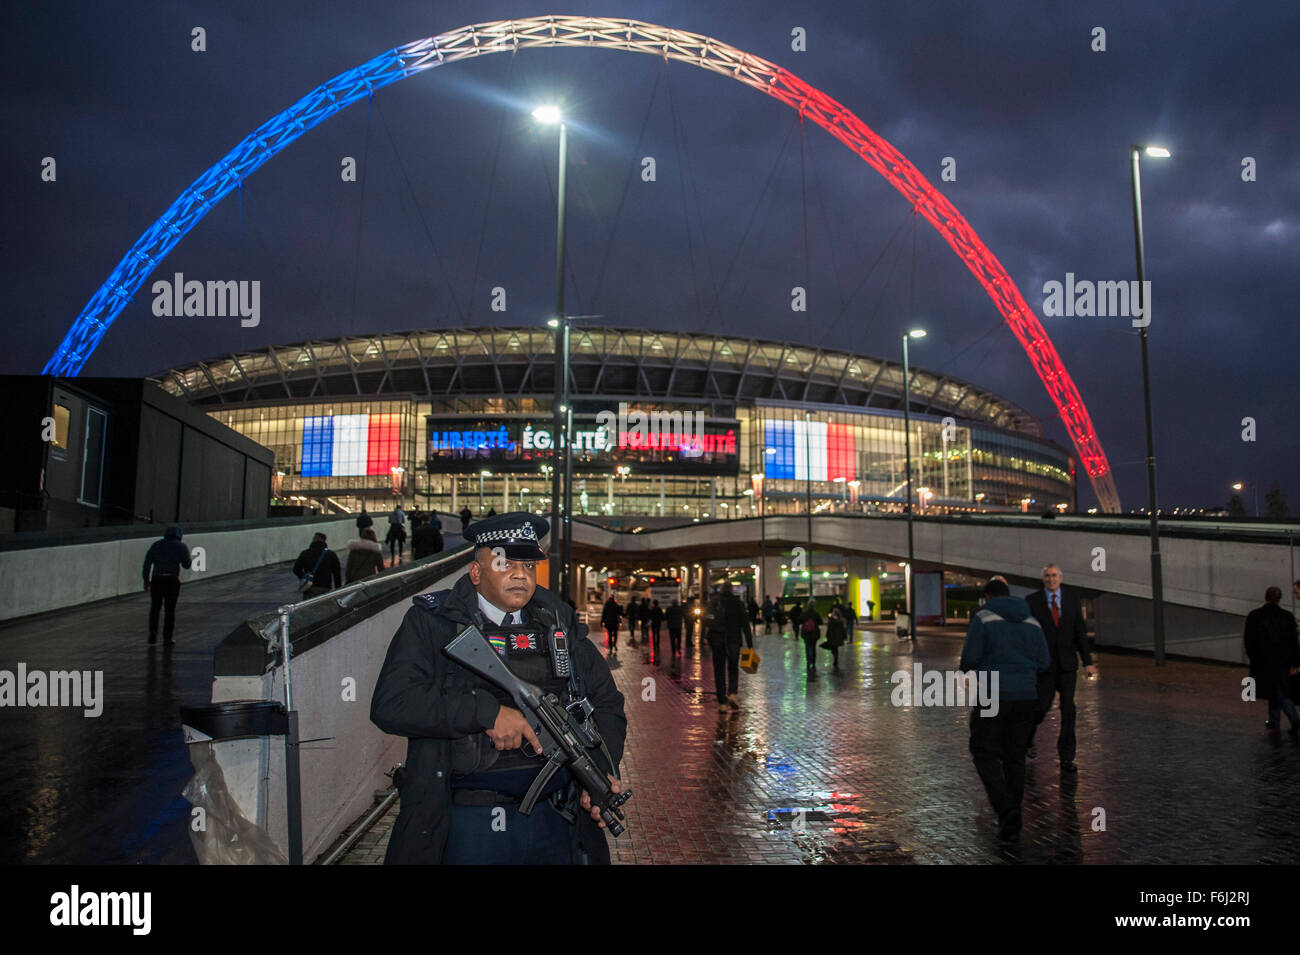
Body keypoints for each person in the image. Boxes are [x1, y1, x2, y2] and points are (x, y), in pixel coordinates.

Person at [370, 511, 626, 864]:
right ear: (476, 572)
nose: (520, 573)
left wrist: (597, 773)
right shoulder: (434, 622)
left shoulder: (558, 623)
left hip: (554, 820)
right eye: (505, 562)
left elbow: (607, 703)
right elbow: (392, 702)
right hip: (464, 821)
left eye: (528, 565)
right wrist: (485, 713)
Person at [960, 576, 1051, 842]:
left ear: (988, 596)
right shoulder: (1031, 621)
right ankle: (1013, 816)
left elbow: (971, 658)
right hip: (1025, 696)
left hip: (992, 694)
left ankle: (1006, 808)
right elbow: (1044, 661)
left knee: (983, 751)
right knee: (1015, 756)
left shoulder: (983, 618)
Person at [1025, 564, 1096, 773]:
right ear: (1043, 579)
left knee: (1068, 710)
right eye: (1047, 576)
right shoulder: (1033, 601)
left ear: (1061, 578)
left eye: (1054, 576)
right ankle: (1028, 739)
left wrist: (1088, 662)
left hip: (1067, 666)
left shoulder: (1072, 599)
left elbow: (1080, 632)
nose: (1051, 579)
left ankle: (1066, 758)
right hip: (1044, 667)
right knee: (1041, 707)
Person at [1244, 586, 1300, 735]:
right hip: (1282, 660)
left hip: (1263, 660)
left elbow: (1249, 640)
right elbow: (1293, 641)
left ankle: (1292, 719)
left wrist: (1253, 656)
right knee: (1279, 688)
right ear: (1279, 599)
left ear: (1266, 597)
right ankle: (1274, 720)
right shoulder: (1287, 617)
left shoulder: (1255, 615)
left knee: (1275, 690)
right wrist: (1295, 661)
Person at [704, 586, 753, 711]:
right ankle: (732, 693)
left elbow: (706, 619)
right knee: (733, 668)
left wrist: (705, 636)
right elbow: (745, 623)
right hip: (734, 640)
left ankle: (722, 703)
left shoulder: (714, 602)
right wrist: (750, 643)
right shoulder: (738, 603)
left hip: (718, 640)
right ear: (732, 591)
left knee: (719, 671)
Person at [142, 523, 192, 644]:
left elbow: (147, 564)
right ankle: (167, 638)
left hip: (157, 579)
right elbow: (187, 565)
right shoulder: (181, 546)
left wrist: (146, 581)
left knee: (155, 608)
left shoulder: (156, 545)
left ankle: (153, 633)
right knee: (170, 610)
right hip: (172, 580)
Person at [293, 532, 342, 597]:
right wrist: (338, 589)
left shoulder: (305, 553)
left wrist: (304, 576)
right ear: (324, 541)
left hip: (309, 588)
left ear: (313, 540)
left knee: (309, 605)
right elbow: (337, 574)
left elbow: (296, 569)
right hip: (325, 587)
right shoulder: (331, 554)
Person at [798, 601, 823, 679]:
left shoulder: (805, 614)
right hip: (814, 633)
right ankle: (813, 661)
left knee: (807, 647)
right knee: (813, 647)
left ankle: (808, 661)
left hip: (806, 633)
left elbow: (799, 620)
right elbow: (820, 622)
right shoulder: (816, 614)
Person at [824, 606, 847, 672]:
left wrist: (827, 635)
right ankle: (836, 659)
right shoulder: (840, 620)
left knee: (833, 648)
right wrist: (844, 636)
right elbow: (843, 629)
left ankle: (835, 659)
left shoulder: (831, 620)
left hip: (832, 636)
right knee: (835, 648)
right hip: (838, 637)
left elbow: (829, 628)